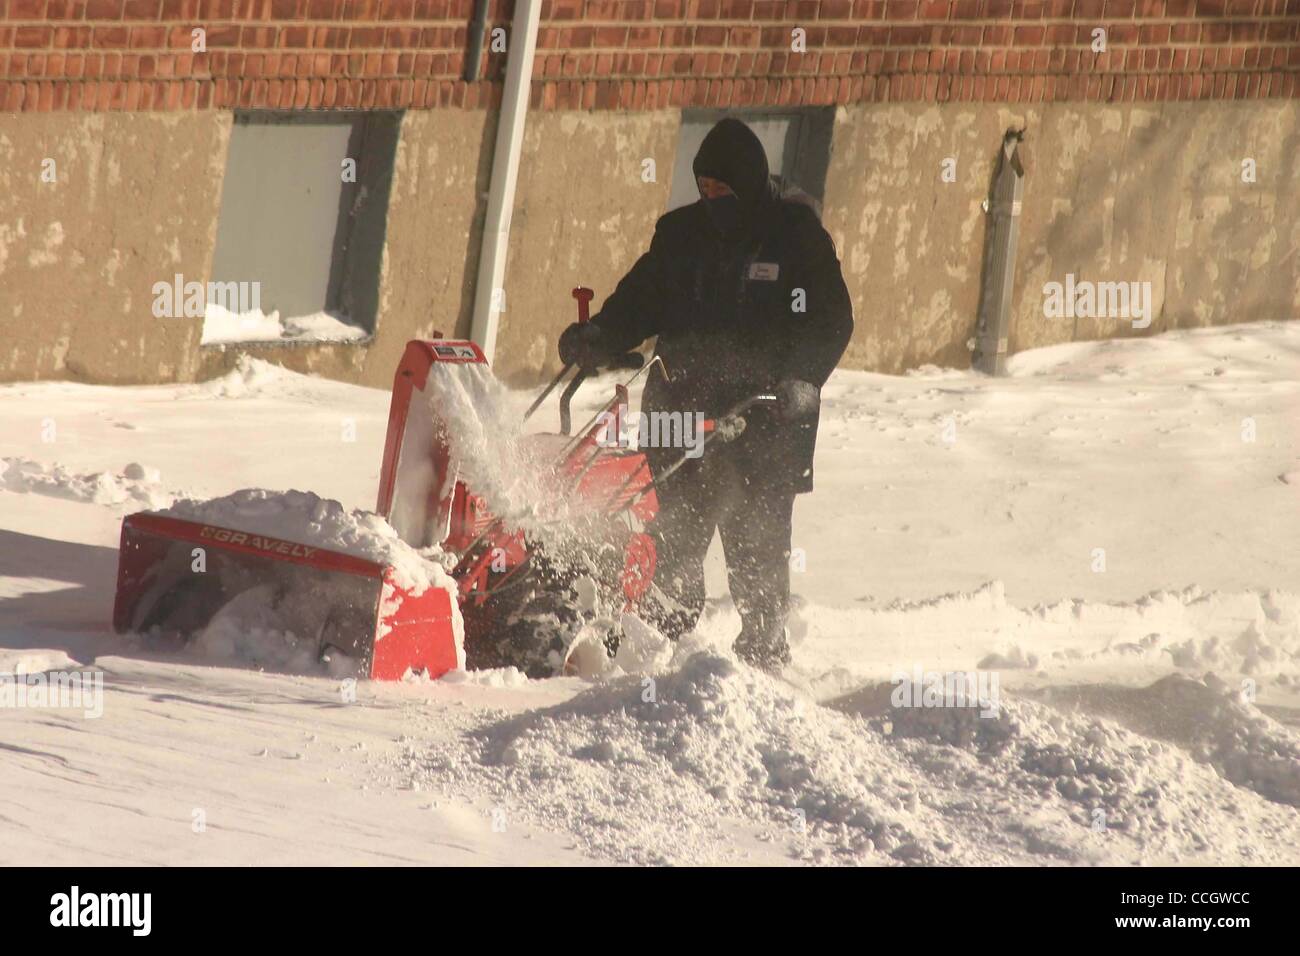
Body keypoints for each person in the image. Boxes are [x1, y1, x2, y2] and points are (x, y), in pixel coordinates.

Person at [557, 117, 853, 670]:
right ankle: (661, 655)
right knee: (672, 539)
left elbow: (832, 319)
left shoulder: (795, 237)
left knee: (756, 545)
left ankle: (762, 659)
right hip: (682, 409)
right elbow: (640, 300)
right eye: (704, 188)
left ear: (748, 184)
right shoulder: (683, 235)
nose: (711, 199)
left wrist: (802, 378)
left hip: (765, 416)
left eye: (723, 190)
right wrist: (599, 335)